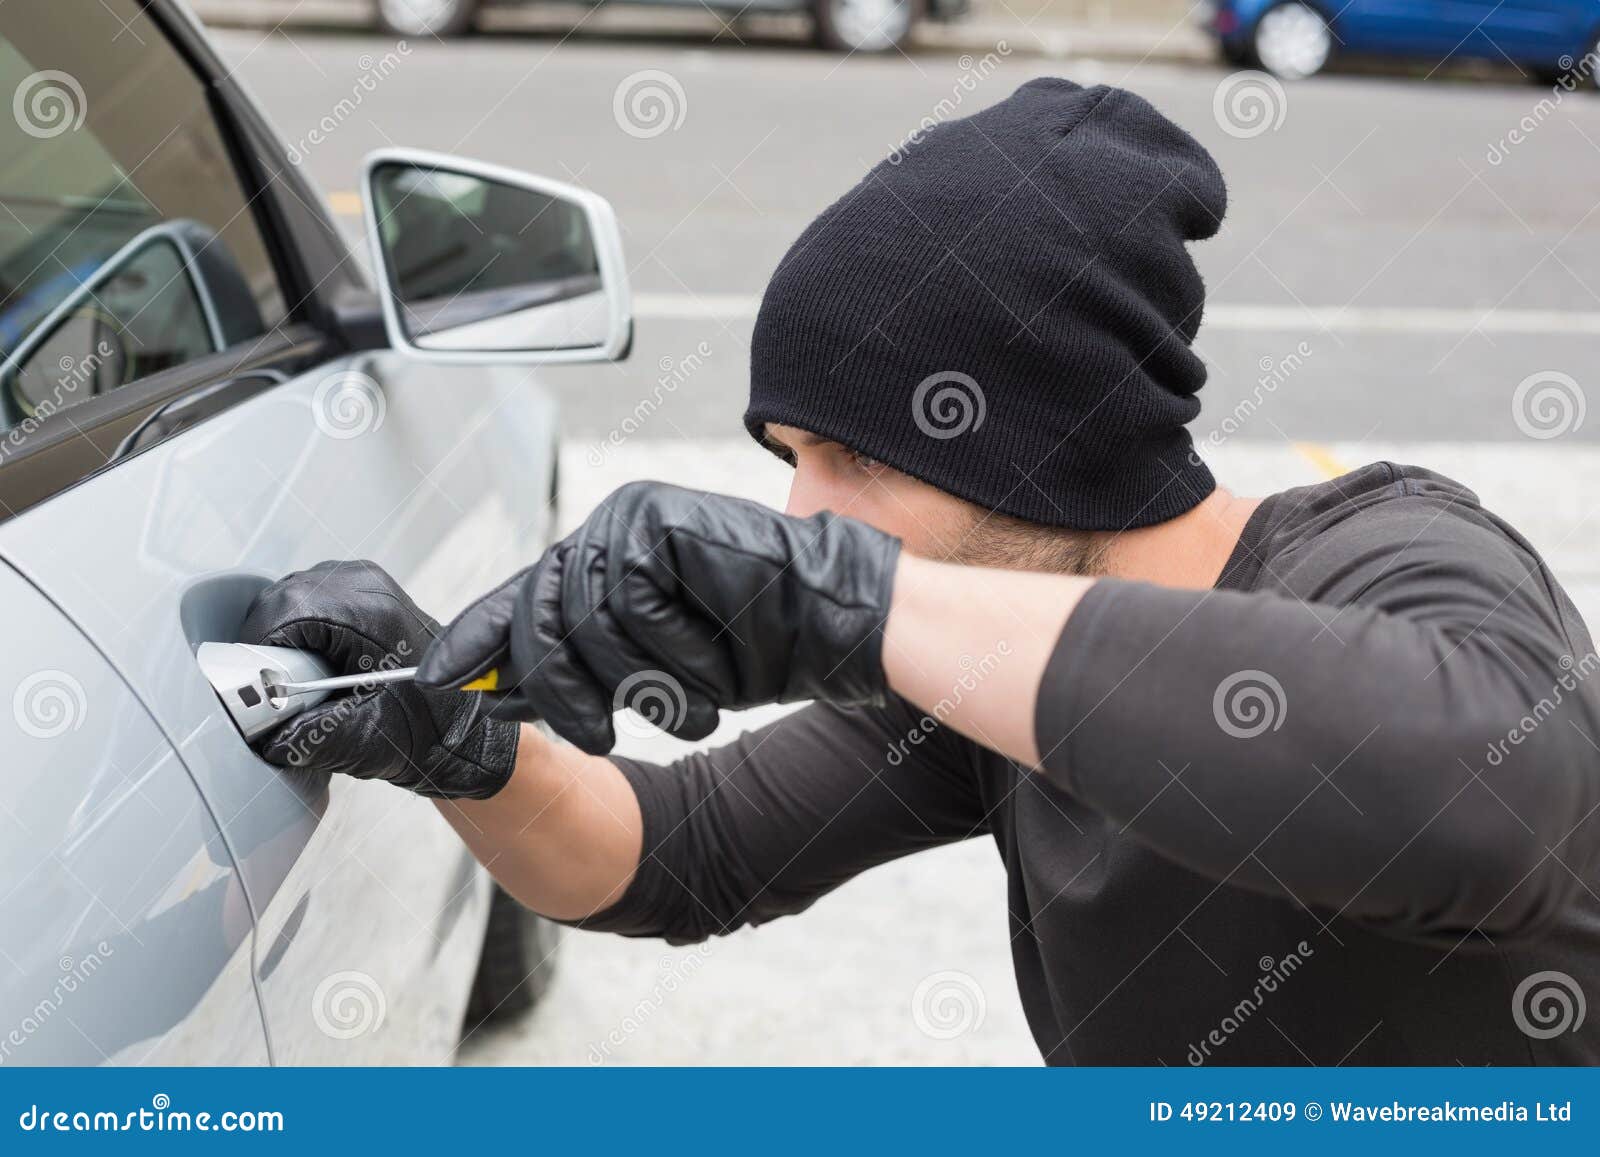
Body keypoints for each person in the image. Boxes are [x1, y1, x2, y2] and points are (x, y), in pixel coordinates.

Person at [241, 78, 1600, 1065]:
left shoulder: (1396, 556)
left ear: (1044, 438)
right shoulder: (980, 680)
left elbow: (1491, 800)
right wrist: (461, 745)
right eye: (789, 455)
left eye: (854, 458)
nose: (803, 510)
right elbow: (677, 855)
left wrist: (858, 600)